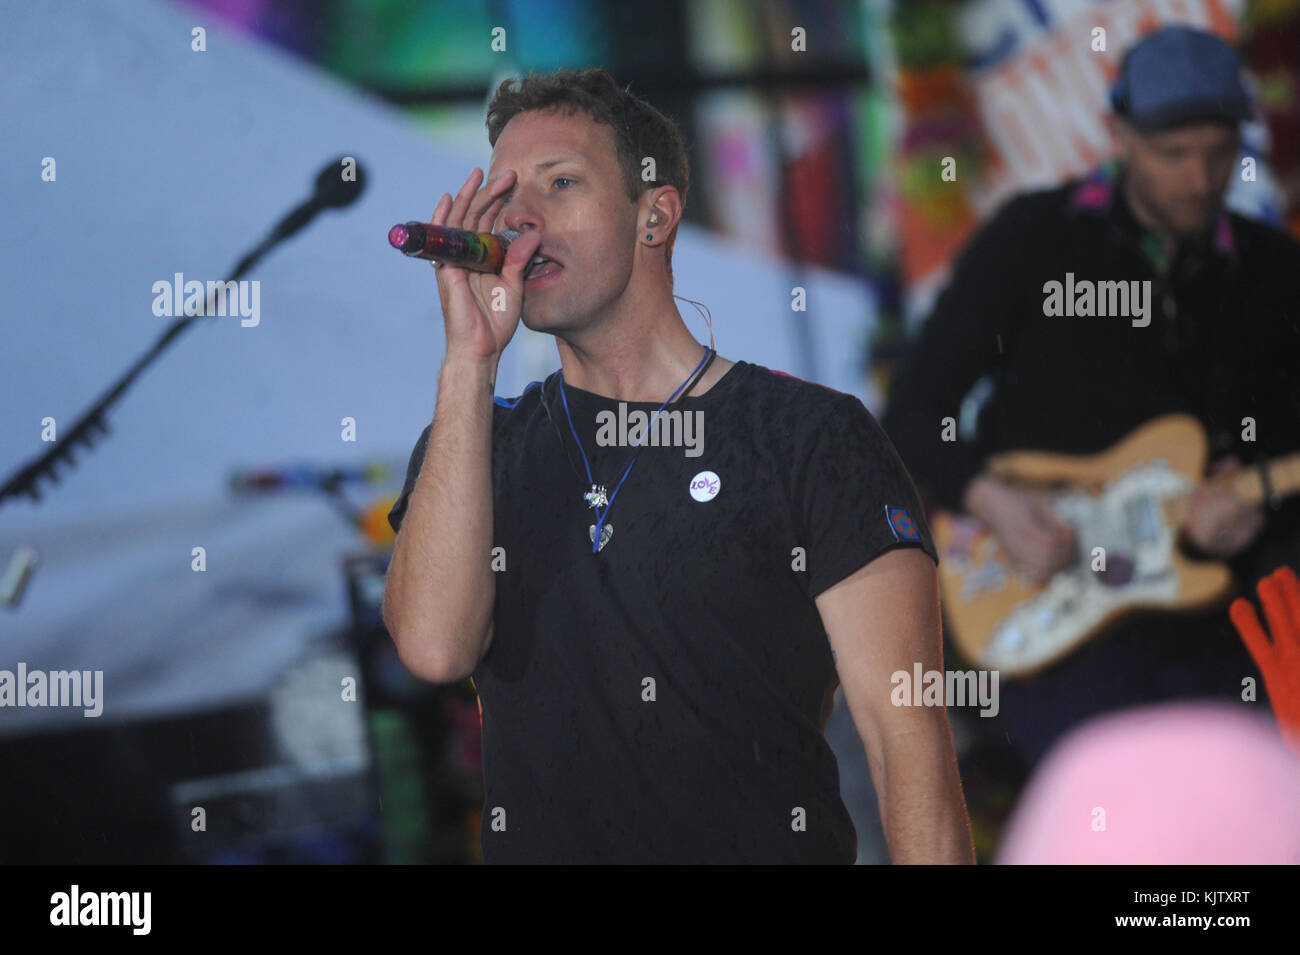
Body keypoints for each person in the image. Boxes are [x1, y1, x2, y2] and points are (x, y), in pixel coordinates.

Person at [383, 68, 974, 863]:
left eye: (562, 184)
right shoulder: (475, 439)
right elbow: (433, 648)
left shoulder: (808, 436)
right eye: (506, 193)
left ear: (654, 214)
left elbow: (907, 737)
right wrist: (468, 362)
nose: (521, 216)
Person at [881, 25, 1300, 769]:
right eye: (1174, 154)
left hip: (1222, 629)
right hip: (1053, 617)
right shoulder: (1033, 238)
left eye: (1218, 153)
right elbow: (914, 406)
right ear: (1119, 134)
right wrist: (991, 500)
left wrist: (1258, 508)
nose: (1200, 179)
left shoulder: (1275, 274)